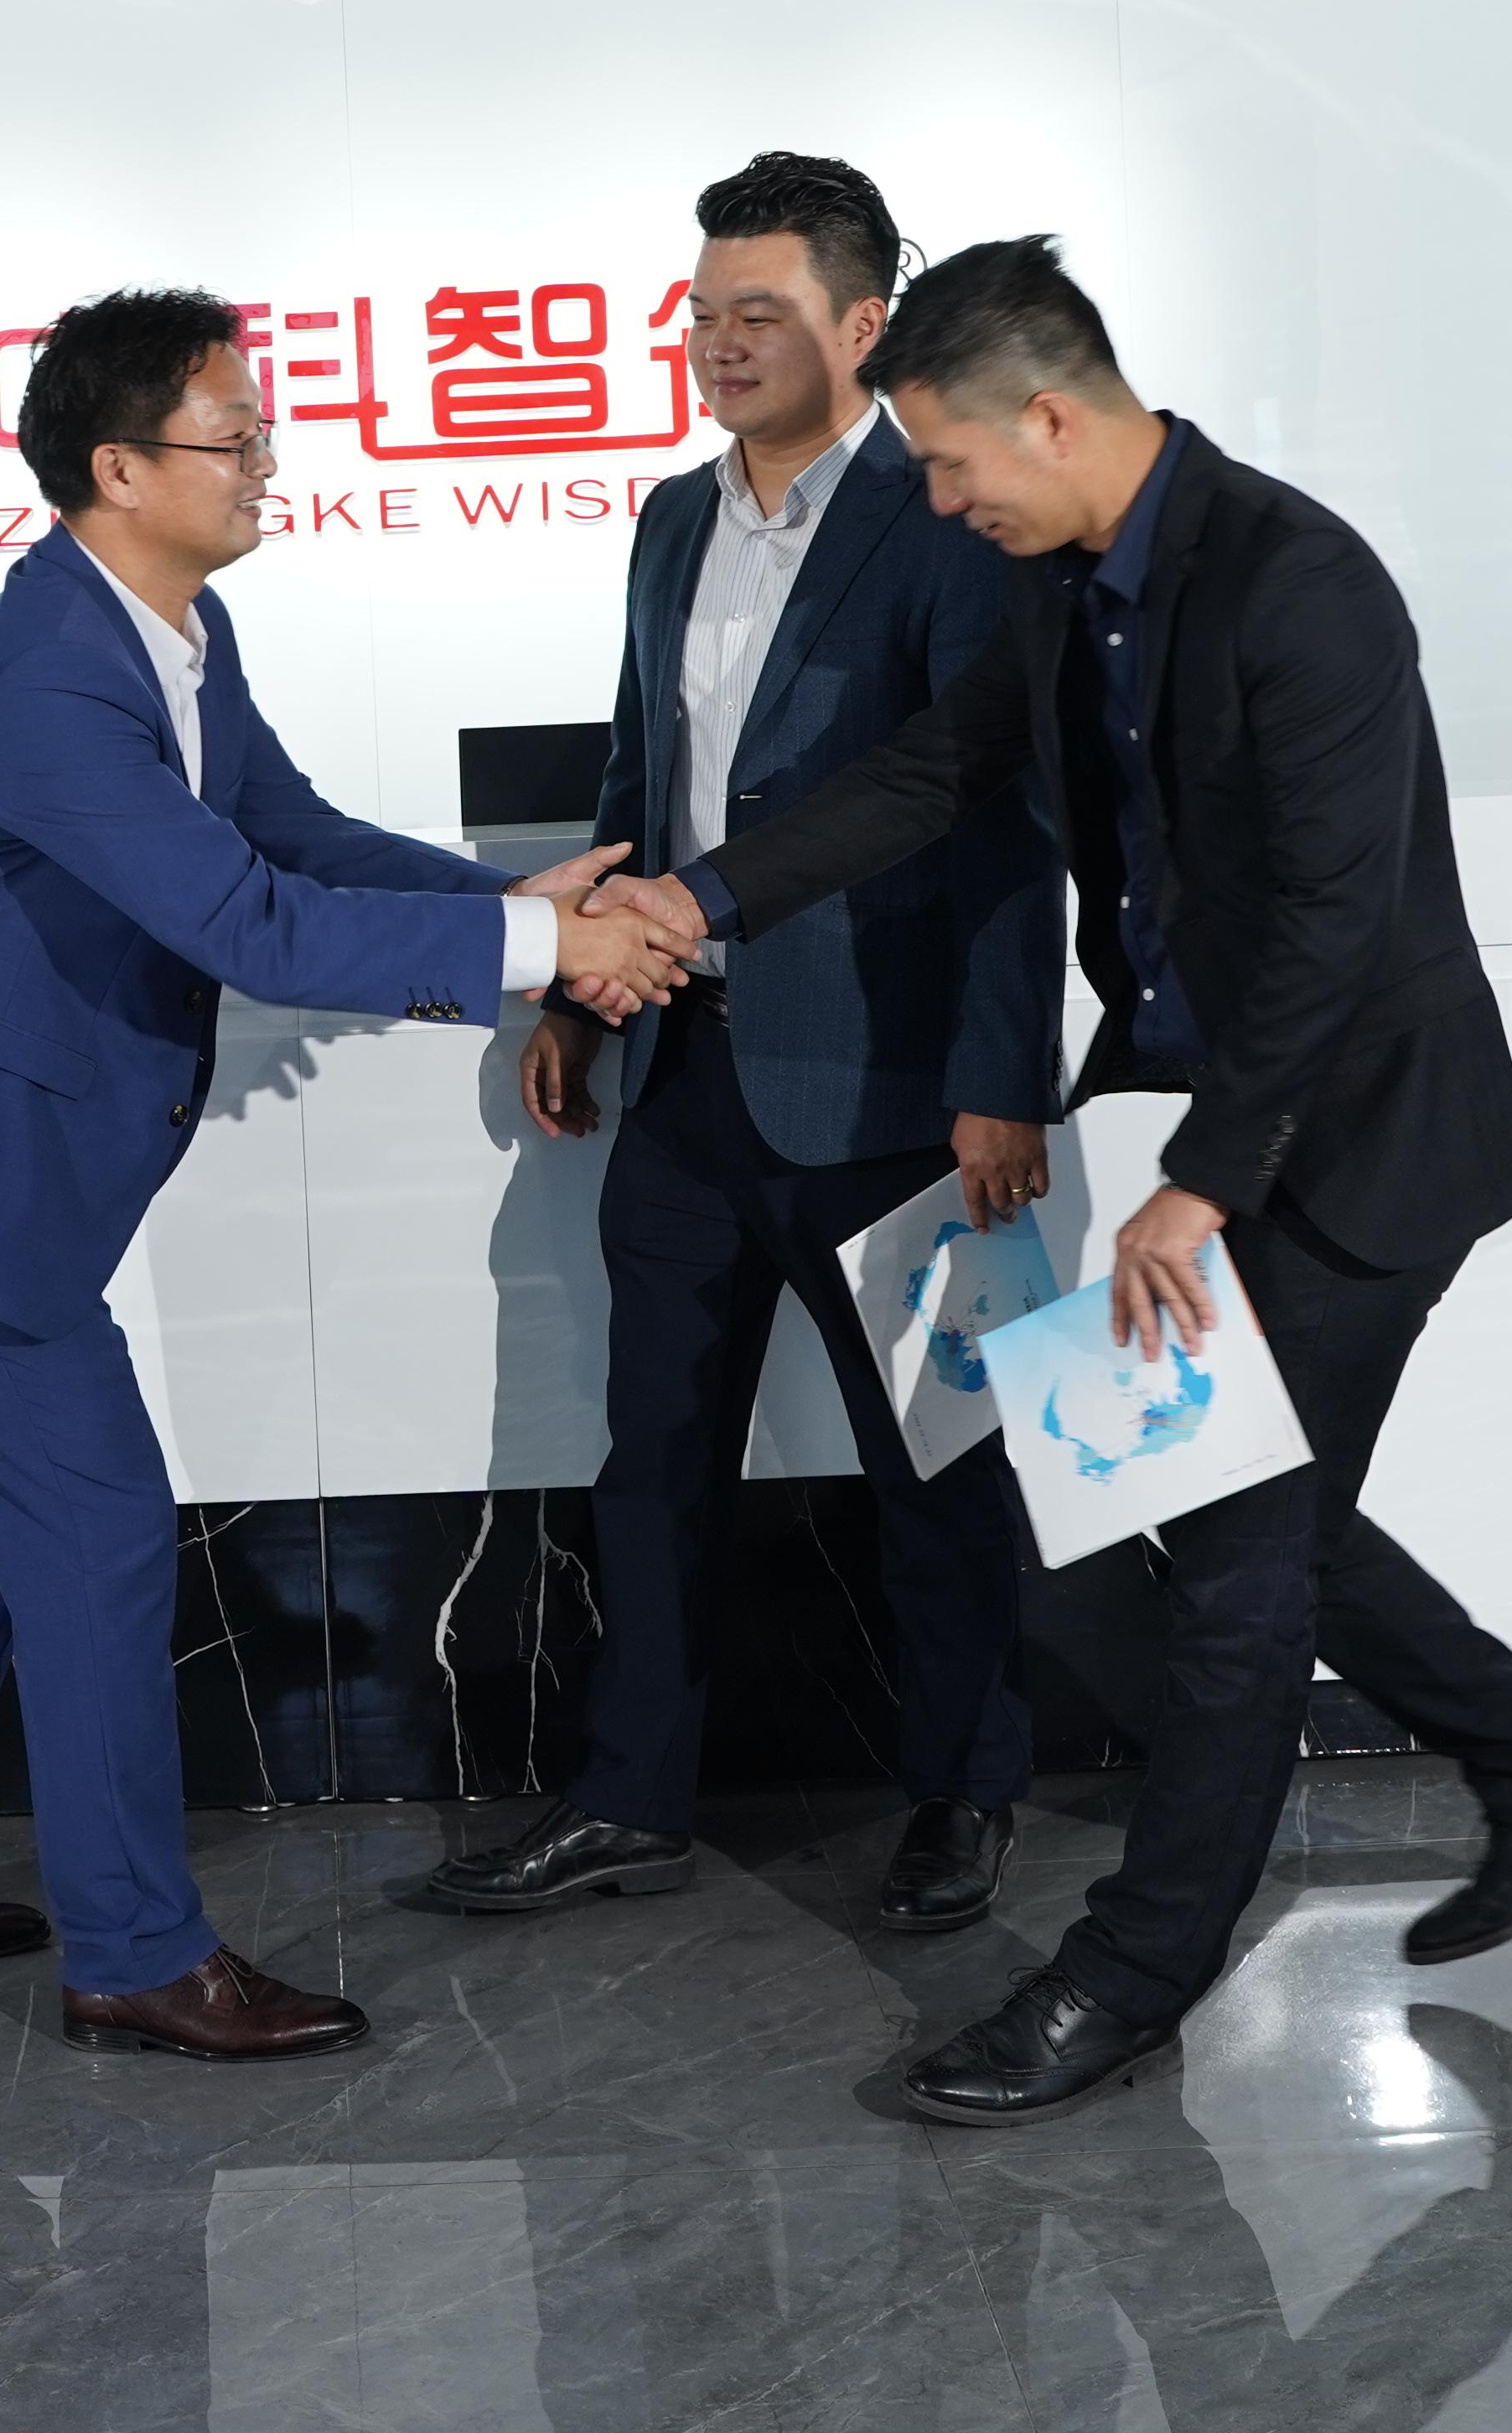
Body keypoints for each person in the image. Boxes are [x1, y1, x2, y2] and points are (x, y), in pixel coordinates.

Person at [594, 237, 1512, 2127]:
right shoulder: (1056, 583)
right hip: (1203, 1114)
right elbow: (931, 775)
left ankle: (1129, 1975)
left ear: (1050, 417)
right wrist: (699, 896)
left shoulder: (1301, 579)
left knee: (1239, 1556)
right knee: (1120, 1501)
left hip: (1357, 1140)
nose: (939, 504)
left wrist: (1203, 1181)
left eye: (948, 465)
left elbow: (1338, 920)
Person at [0, 288, 694, 2062]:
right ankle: (131, 1952)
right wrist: (539, 953)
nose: (269, 459)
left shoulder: (174, 630)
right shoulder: (47, 673)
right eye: (236, 434)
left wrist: (515, 906)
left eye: (264, 428)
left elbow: (288, 829)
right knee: (98, 1529)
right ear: (119, 467)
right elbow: (244, 919)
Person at [427, 153, 1062, 1934]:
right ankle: (628, 1797)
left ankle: (965, 1792)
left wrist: (1001, 1075)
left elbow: (1002, 812)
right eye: (703, 312)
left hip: (895, 1078)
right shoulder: (666, 520)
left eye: (759, 313)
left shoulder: (944, 514)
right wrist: (576, 993)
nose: (718, 342)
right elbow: (642, 770)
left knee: (935, 1457)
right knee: (652, 1460)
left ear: (863, 325)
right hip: (688, 1071)